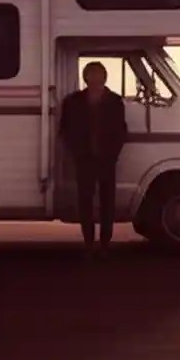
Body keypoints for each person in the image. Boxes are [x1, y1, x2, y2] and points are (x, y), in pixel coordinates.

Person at [58, 61, 128, 257]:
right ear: (86, 77)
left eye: (98, 74)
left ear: (104, 77)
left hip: (107, 159)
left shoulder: (115, 101)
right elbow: (66, 130)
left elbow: (121, 131)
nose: (95, 78)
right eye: (92, 74)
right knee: (85, 201)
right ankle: (89, 241)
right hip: (85, 159)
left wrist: (113, 154)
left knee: (107, 202)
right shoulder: (73, 101)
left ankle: (105, 242)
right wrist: (76, 153)